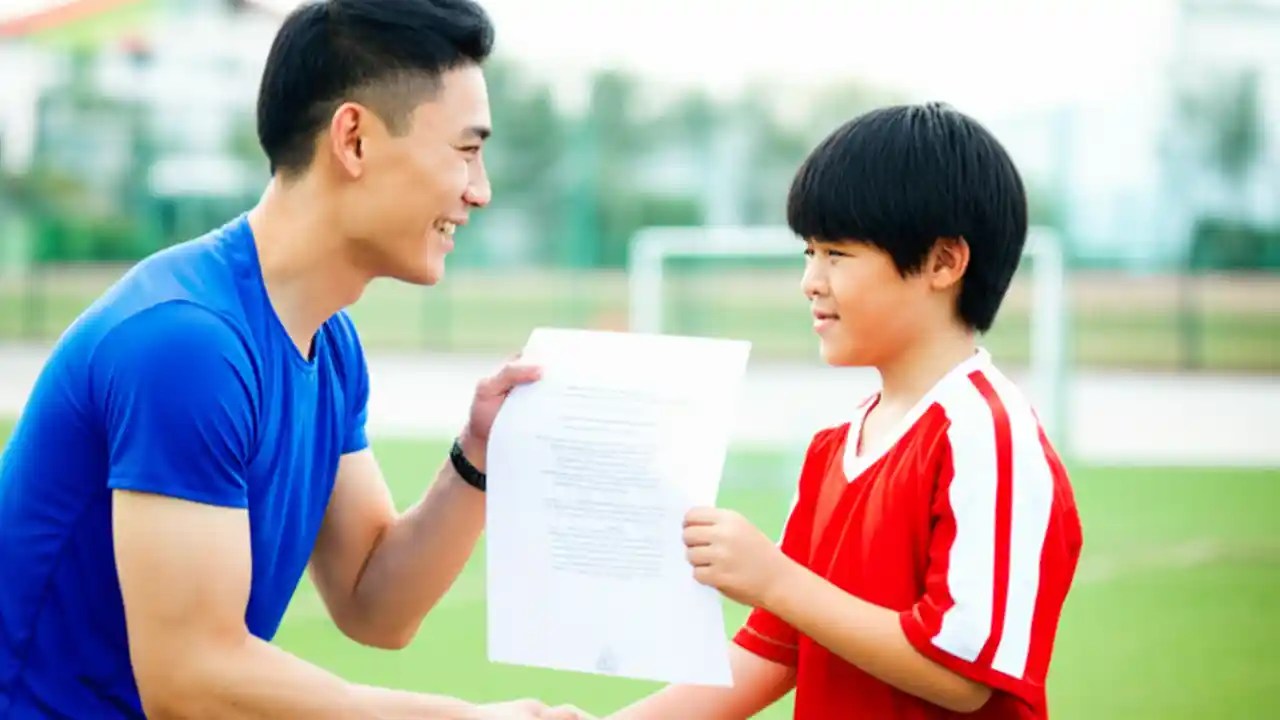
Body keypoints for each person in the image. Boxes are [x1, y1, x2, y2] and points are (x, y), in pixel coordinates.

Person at [0, 1, 586, 718]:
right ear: (354, 140)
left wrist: (479, 453)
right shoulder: (187, 345)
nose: (480, 190)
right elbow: (191, 679)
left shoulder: (328, 342)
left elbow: (374, 603)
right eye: (466, 150)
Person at [610, 103, 1084, 719]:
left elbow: (960, 674)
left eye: (836, 253)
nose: (810, 280)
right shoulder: (834, 447)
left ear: (944, 262)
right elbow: (771, 654)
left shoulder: (987, 436)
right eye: (809, 252)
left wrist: (774, 579)